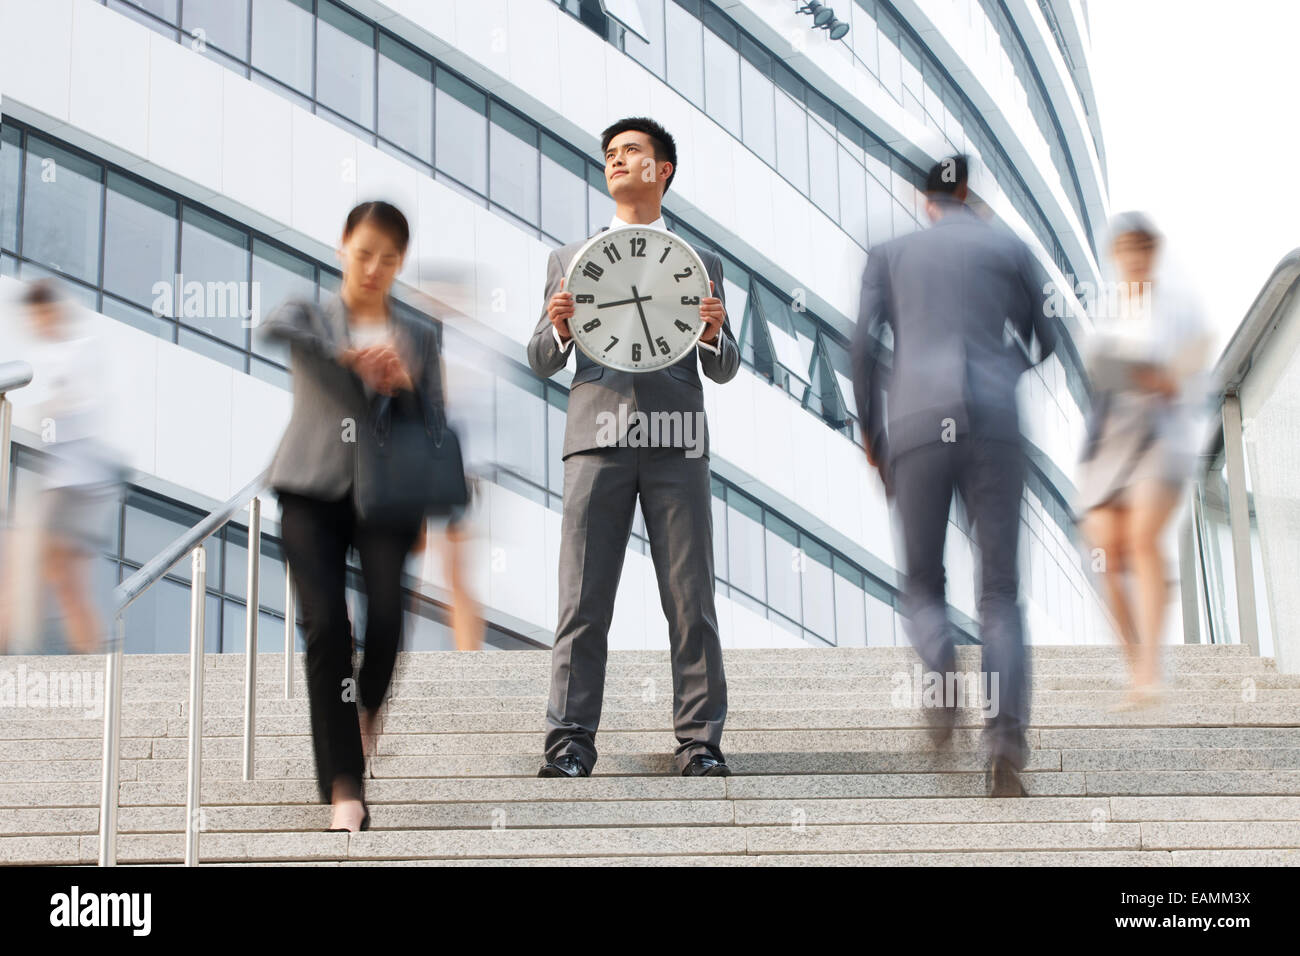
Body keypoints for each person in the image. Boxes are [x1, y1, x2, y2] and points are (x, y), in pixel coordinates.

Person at [527, 117, 740, 778]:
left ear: (663, 170)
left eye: (633, 153)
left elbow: (727, 366)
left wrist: (712, 333)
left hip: (677, 443)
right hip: (597, 440)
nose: (618, 161)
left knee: (690, 598)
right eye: (611, 154)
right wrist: (559, 328)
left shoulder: (702, 264)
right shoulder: (569, 258)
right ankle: (569, 739)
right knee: (583, 599)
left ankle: (700, 742)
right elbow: (538, 357)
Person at [851, 155, 1056, 797]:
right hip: (992, 422)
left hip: (915, 424)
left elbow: (861, 350)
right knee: (999, 590)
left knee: (922, 580)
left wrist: (872, 434)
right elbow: (1046, 339)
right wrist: (999, 371)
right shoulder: (1009, 247)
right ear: (968, 192)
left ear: (924, 196)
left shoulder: (890, 253)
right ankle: (1004, 744)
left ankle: (942, 679)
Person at [261, 200, 451, 831]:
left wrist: (409, 383)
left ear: (401, 264)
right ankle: (346, 787)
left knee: (390, 622)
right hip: (309, 491)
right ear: (343, 245)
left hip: (387, 500)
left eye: (389, 259)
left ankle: (367, 708)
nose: (374, 268)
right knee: (326, 629)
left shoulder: (419, 334)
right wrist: (354, 360)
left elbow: (435, 423)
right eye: (364, 252)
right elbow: (281, 334)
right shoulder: (310, 312)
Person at [1075, 212, 1210, 710]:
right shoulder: (1108, 313)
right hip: (1111, 439)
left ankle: (1151, 669)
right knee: (1105, 550)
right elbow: (1099, 378)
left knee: (1142, 539)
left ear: (1153, 254)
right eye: (1125, 250)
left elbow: (1194, 368)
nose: (1133, 259)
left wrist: (1162, 377)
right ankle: (1134, 664)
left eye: (1141, 249)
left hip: (1160, 434)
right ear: (1116, 257)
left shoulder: (1176, 308)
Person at [0, 280, 120, 654]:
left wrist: (52, 411)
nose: (35, 324)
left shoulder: (75, 352)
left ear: (49, 312)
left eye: (38, 315)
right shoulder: (61, 353)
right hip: (75, 482)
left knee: (19, 560)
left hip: (72, 485)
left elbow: (77, 409)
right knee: (66, 580)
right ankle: (98, 665)